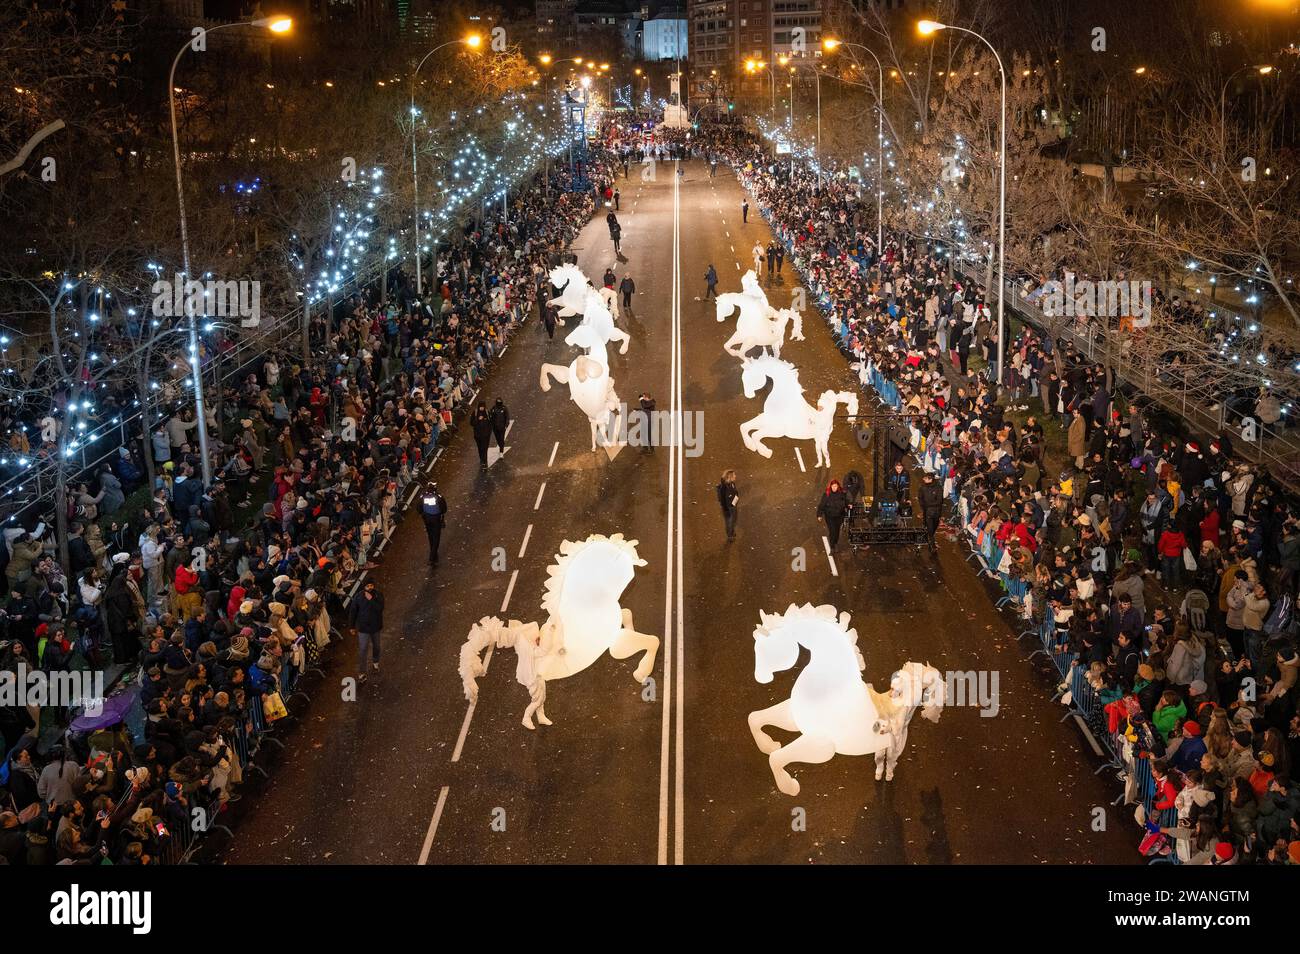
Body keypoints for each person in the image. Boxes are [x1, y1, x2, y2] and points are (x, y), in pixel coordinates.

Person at [348, 579, 384, 683]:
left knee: (377, 646)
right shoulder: (358, 597)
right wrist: (351, 626)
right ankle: (362, 672)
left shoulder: (378, 595)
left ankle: (375, 662)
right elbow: (353, 612)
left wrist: (371, 600)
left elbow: (380, 608)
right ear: (364, 587)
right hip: (363, 629)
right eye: (368, 586)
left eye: (371, 585)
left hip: (375, 627)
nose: (370, 587)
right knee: (363, 650)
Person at [818, 479, 849, 549]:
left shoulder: (842, 493)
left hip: (839, 516)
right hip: (830, 517)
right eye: (833, 486)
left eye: (835, 486)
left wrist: (848, 505)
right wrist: (819, 514)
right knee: (832, 531)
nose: (834, 488)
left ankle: (835, 542)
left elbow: (846, 501)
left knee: (837, 530)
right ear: (831, 486)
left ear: (838, 486)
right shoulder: (827, 494)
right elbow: (822, 505)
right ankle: (832, 546)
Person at [421, 483, 447, 565]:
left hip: (427, 518)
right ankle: (432, 557)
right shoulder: (438, 497)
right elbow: (444, 508)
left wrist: (424, 514)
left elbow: (418, 507)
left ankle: (434, 556)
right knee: (436, 538)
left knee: (430, 537)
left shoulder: (423, 496)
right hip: (436, 518)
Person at [919, 470, 944, 554]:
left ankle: (929, 538)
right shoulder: (922, 488)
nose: (923, 479)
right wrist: (924, 507)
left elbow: (940, 500)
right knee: (930, 528)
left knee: (934, 527)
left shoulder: (938, 488)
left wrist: (928, 505)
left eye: (925, 478)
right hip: (928, 512)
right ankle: (932, 545)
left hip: (936, 512)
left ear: (930, 479)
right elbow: (920, 499)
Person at [717, 469, 739, 541]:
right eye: (734, 475)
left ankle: (731, 532)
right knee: (729, 522)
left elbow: (734, 492)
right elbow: (722, 499)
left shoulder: (732, 483)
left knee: (733, 521)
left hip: (733, 505)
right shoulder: (724, 488)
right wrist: (726, 509)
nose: (735, 476)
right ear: (730, 477)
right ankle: (730, 536)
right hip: (728, 508)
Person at [471, 402, 492, 467]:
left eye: (483, 407)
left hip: (486, 435)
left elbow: (491, 423)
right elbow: (471, 423)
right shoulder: (475, 413)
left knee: (484, 448)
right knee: (480, 448)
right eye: (481, 407)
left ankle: (484, 461)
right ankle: (481, 459)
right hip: (478, 435)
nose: (482, 408)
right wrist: (478, 419)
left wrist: (489, 432)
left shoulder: (487, 413)